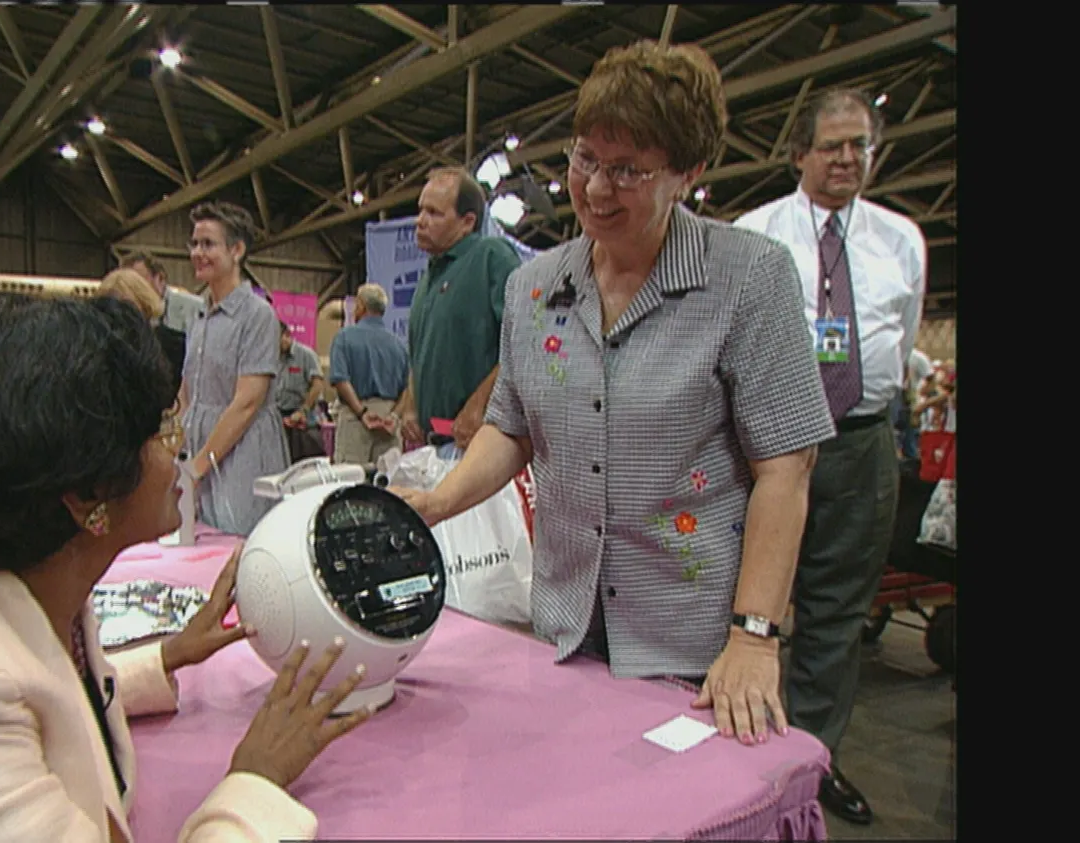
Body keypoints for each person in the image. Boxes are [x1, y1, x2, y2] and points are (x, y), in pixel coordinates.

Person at [398, 39, 834, 747]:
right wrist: (438, 503)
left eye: (628, 170)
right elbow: (511, 427)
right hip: (565, 628)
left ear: (688, 171)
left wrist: (755, 637)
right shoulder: (532, 287)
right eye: (584, 159)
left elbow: (785, 469)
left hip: (693, 647)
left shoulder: (748, 277)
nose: (596, 189)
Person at [0, 293, 373, 842]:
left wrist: (165, 658)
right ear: (86, 493)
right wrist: (253, 783)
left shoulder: (21, 584)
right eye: (158, 433)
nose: (176, 452)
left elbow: (43, 696)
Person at [734, 88, 928, 826]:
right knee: (747, 604)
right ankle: (743, 755)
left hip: (861, 443)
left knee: (836, 614)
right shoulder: (755, 234)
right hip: (765, 443)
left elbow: (902, 340)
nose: (848, 158)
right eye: (833, 145)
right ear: (799, 154)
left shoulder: (901, 239)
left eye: (861, 146)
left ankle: (810, 760)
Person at [179, 201, 290, 536]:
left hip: (243, 456)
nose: (198, 253)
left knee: (239, 546)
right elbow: (188, 392)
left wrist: (198, 467)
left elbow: (247, 403)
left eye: (208, 244)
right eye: (194, 244)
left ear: (237, 250)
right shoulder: (198, 316)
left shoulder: (257, 315)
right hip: (199, 456)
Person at [395, 167, 522, 449]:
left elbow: (525, 343)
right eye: (420, 210)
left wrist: (480, 404)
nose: (420, 221)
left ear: (467, 222)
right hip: (436, 446)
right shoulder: (427, 280)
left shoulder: (492, 257)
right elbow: (419, 357)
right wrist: (411, 406)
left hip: (485, 445)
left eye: (434, 213)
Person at [328, 283, 410, 465]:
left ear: (361, 306)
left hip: (355, 419)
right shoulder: (399, 345)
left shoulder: (344, 338)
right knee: (386, 485)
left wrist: (362, 412)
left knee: (352, 484)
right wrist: (394, 416)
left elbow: (341, 380)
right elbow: (407, 388)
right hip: (389, 421)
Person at [119, 251, 187, 395]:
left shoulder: (192, 308)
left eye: (140, 281)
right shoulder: (126, 313)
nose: (133, 289)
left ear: (160, 278)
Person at [274, 322, 328, 461]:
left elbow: (317, 385)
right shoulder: (273, 357)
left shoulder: (306, 355)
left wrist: (303, 410)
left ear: (286, 336)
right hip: (280, 421)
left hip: (304, 422)